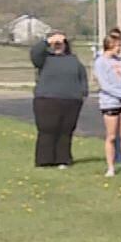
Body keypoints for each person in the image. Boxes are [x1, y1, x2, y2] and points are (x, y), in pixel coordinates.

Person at [29, 32, 87, 169]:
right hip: (47, 100)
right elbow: (35, 53)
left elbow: (82, 77)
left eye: (61, 43)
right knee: (47, 130)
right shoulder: (44, 59)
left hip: (71, 101)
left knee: (65, 131)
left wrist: (82, 93)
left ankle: (63, 159)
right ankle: (44, 160)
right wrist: (48, 41)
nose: (58, 46)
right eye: (55, 44)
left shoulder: (73, 60)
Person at [94, 30, 121, 176]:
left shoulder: (120, 61)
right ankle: (110, 167)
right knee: (111, 136)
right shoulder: (100, 62)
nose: (119, 48)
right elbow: (105, 85)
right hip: (109, 102)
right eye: (117, 45)